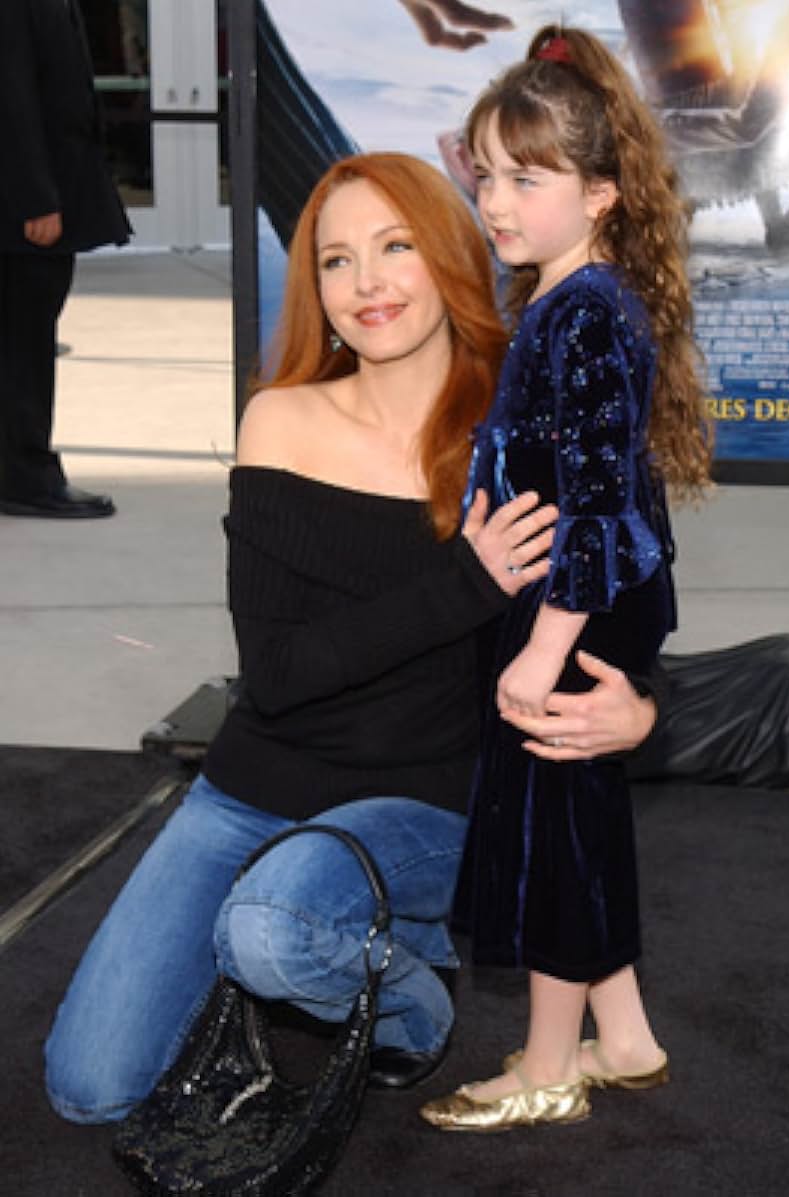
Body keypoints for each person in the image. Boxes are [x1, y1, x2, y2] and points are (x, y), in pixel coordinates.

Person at [45, 151, 661, 1124]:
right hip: (254, 785)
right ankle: (320, 941)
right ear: (314, 287)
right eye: (335, 260)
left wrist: (642, 705)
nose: (366, 282)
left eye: (395, 246)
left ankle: (408, 1009)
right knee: (88, 1089)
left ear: (449, 254)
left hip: (429, 803)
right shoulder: (280, 420)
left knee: (271, 927)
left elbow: (619, 574)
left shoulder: (523, 418)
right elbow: (279, 675)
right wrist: (464, 580)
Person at [420, 24, 712, 1132]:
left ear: (598, 193)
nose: (495, 199)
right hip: (574, 598)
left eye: (526, 178)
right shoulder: (565, 297)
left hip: (573, 610)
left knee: (550, 837)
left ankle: (547, 1065)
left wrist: (544, 646)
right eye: (484, 171)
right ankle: (623, 1036)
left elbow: (592, 504)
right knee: (578, 821)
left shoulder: (583, 314)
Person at [0, 0, 130, 519]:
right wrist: (35, 199)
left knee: (21, 344)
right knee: (24, 348)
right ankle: (25, 478)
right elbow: (11, 97)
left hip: (42, 194)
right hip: (25, 210)